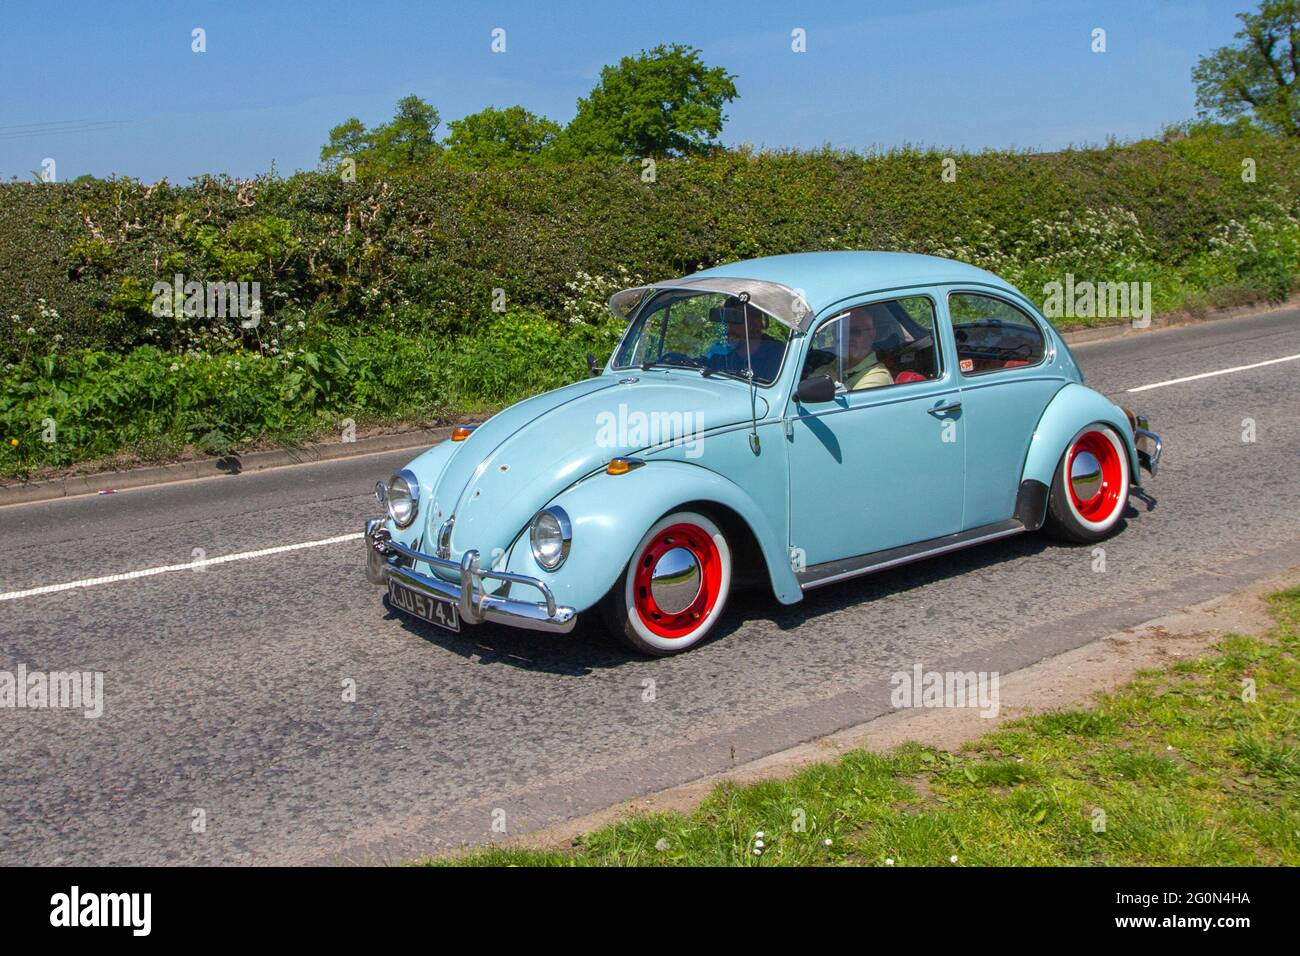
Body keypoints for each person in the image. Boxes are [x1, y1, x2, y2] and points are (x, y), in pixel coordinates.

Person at [705, 298, 785, 382]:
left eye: (735, 321)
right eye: (726, 322)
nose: (728, 330)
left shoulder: (778, 358)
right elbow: (703, 366)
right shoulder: (726, 357)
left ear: (755, 324)